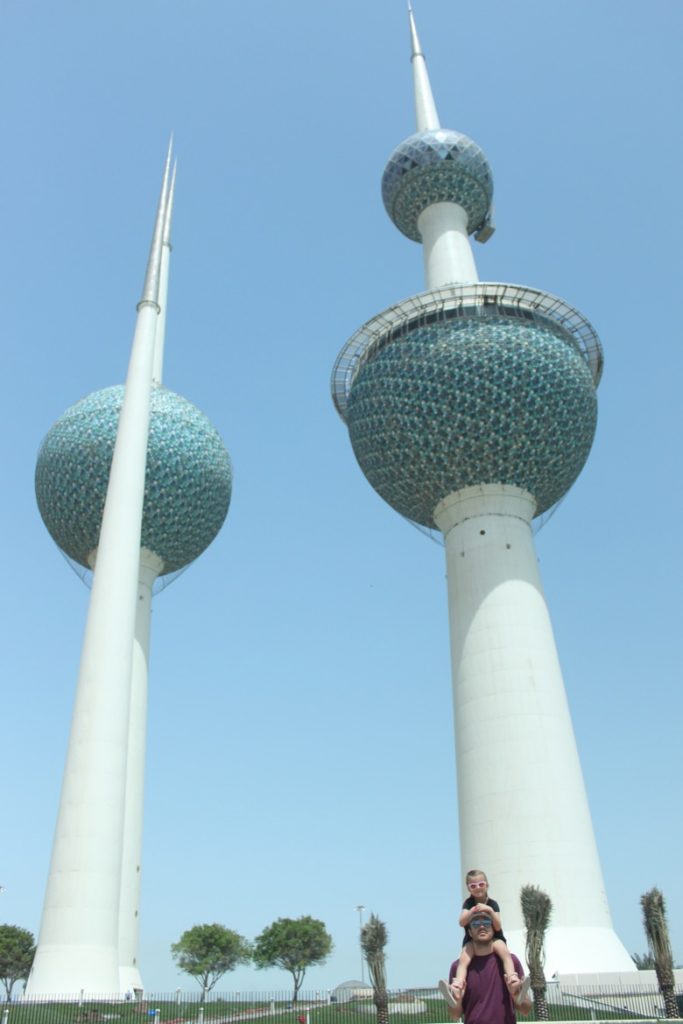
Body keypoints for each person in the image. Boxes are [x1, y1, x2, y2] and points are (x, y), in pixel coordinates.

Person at [439, 915, 532, 1024]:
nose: (482, 926)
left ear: (493, 929)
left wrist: (515, 996)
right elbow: (455, 1016)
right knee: (456, 994)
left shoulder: (511, 961)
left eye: (487, 922)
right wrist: (458, 1001)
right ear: (469, 932)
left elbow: (526, 1010)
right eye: (475, 923)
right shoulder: (457, 967)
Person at [452, 868, 520, 1000]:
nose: (478, 888)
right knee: (464, 959)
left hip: (494, 937)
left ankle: (512, 978)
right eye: (473, 886)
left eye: (481, 884)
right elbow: (461, 922)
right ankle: (458, 985)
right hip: (472, 938)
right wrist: (471, 911)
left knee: (505, 953)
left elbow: (498, 925)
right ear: (469, 888)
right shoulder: (468, 903)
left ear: (487, 885)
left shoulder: (492, 904)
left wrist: (489, 910)